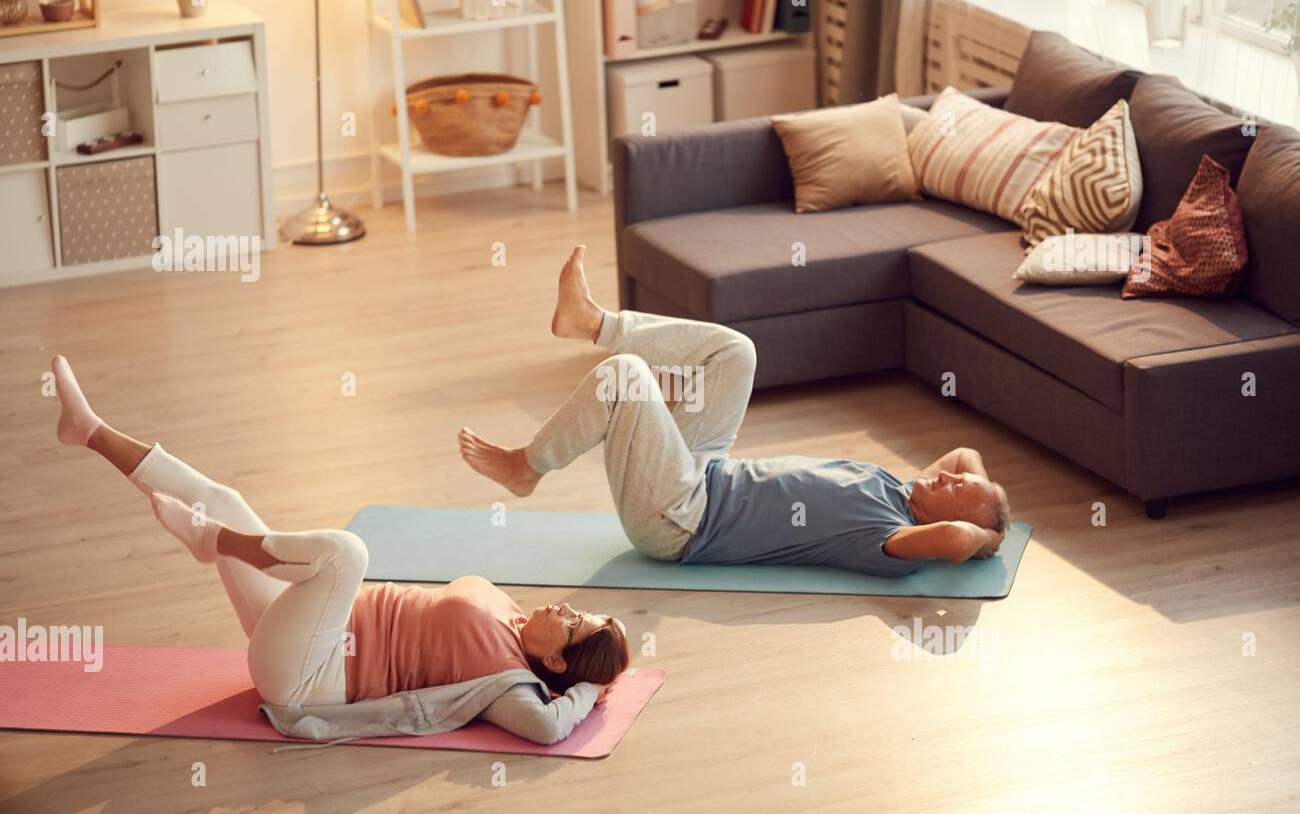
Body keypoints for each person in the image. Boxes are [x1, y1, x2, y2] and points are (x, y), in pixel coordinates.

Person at [49, 356, 626, 744]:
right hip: (303, 625)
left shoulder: (509, 682)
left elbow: (548, 729)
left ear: (555, 661)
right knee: (219, 495)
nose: (568, 609)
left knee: (347, 554)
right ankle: (89, 428)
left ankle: (212, 542)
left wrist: (589, 689)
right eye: (578, 612)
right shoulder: (515, 617)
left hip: (310, 674)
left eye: (574, 624)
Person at [458, 246, 1010, 579]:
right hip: (708, 468)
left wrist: (987, 536)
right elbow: (967, 454)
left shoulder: (889, 537)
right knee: (736, 352)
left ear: (944, 521)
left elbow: (958, 540)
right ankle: (593, 323)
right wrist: (983, 498)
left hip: (682, 519)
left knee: (625, 376)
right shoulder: (900, 488)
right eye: (956, 481)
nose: (946, 473)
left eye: (953, 490)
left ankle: (527, 467)